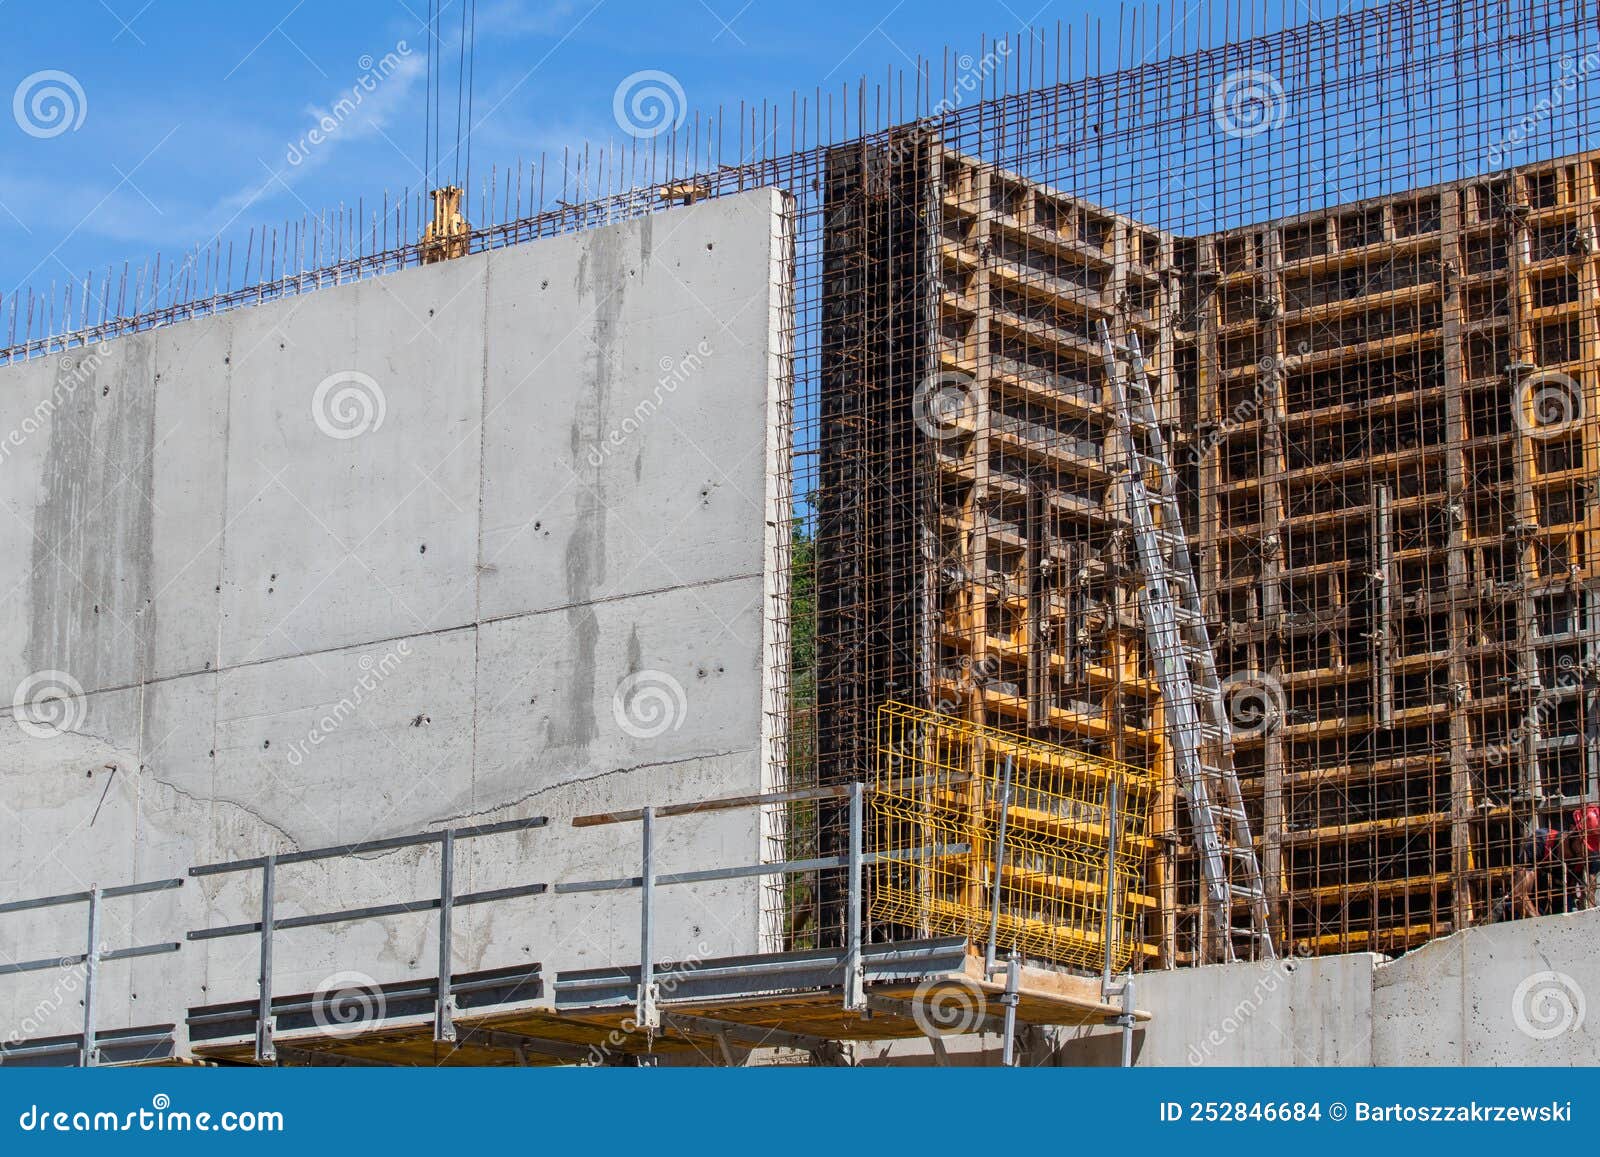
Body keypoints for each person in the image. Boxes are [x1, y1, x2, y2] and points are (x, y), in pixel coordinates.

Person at [1505, 805, 1600, 921]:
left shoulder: (1591, 855)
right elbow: (1519, 895)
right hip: (1530, 909)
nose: (1587, 852)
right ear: (1573, 830)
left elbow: (1588, 900)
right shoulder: (1540, 843)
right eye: (1584, 844)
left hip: (1562, 908)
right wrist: (1540, 924)